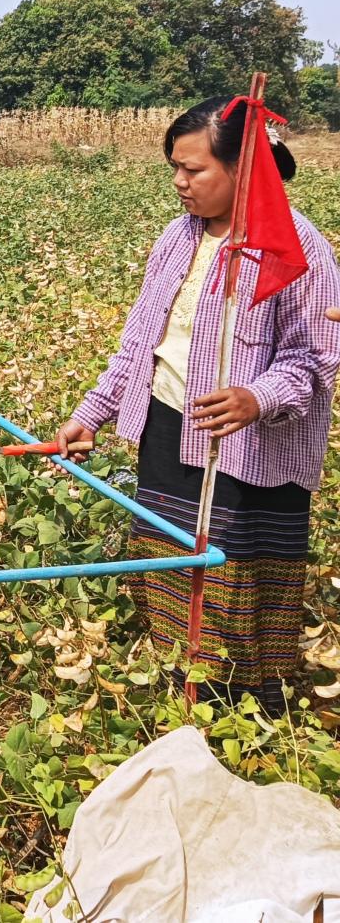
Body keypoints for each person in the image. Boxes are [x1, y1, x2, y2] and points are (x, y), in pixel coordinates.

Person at [53, 97, 340, 713]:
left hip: (249, 450)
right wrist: (91, 413)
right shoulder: (177, 237)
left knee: (238, 586)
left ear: (245, 169)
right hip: (167, 426)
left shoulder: (299, 249)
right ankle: (179, 696)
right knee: (168, 568)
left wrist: (257, 398)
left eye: (195, 169)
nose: (180, 183)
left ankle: (252, 716)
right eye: (174, 169)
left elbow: (316, 359)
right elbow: (142, 343)